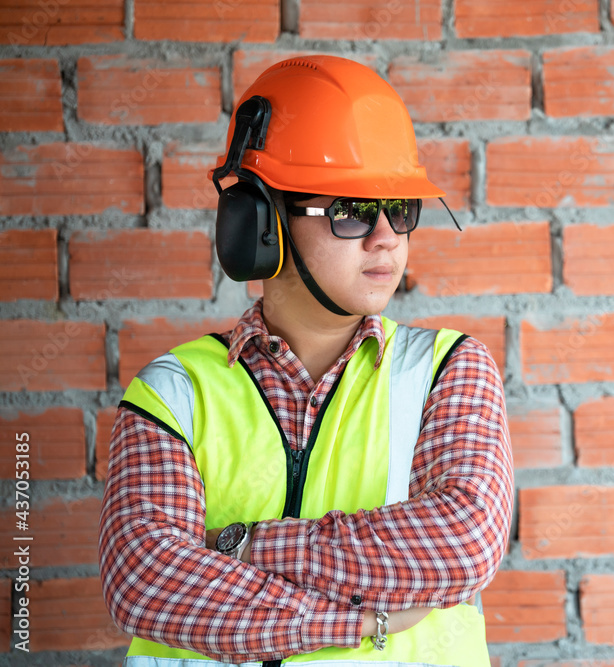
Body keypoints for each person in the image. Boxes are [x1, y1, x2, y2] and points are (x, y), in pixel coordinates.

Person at [99, 56, 514, 667]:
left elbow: (460, 545)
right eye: (350, 210)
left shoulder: (449, 371)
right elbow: (146, 582)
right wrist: (360, 621)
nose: (387, 239)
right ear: (262, 220)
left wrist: (238, 548)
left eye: (400, 208)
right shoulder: (173, 394)